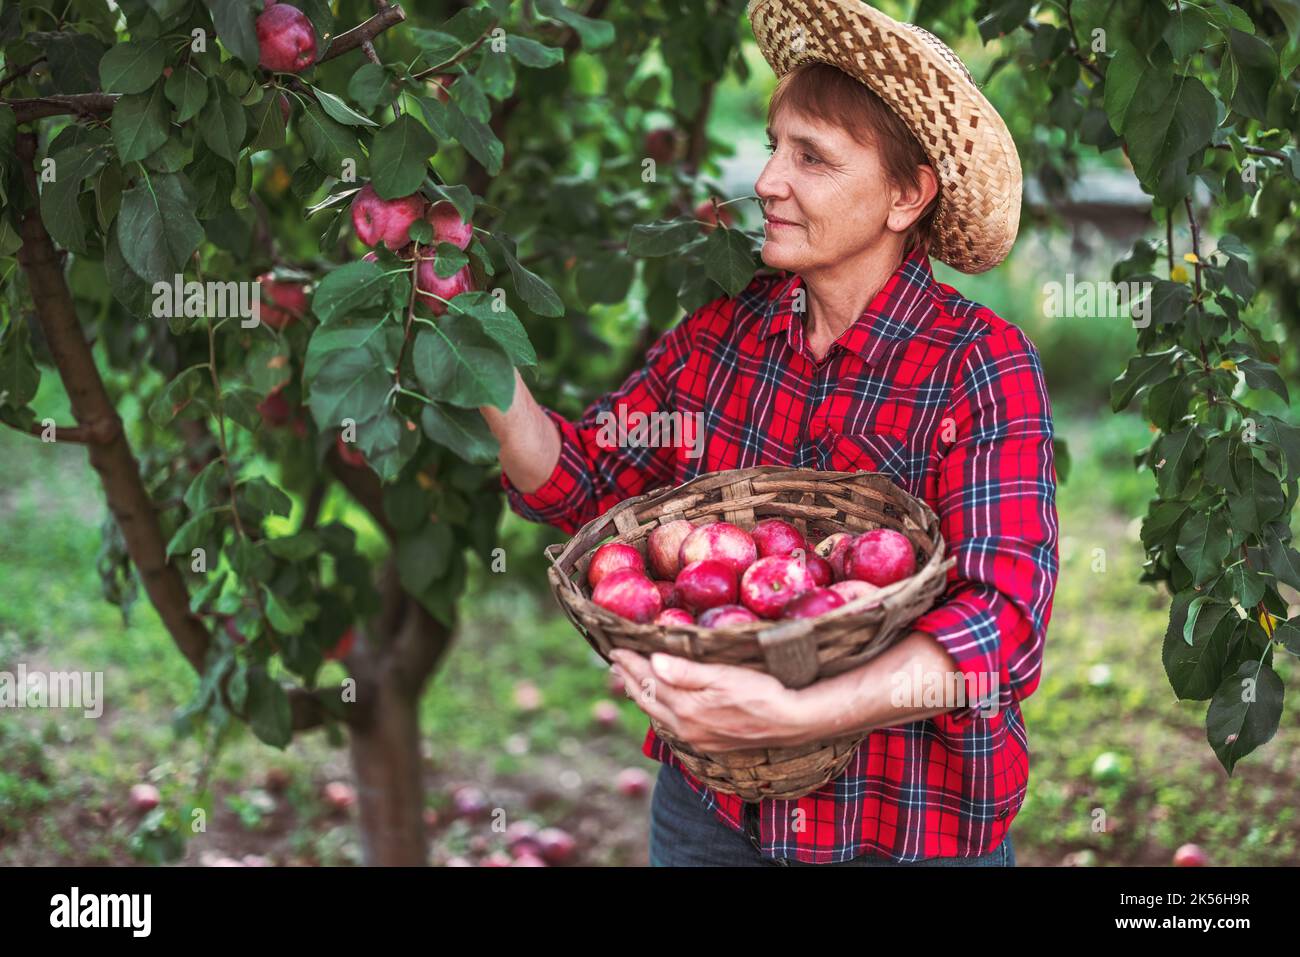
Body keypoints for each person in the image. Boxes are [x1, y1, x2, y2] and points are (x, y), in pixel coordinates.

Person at [478, 0, 1059, 866]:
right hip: (716, 814)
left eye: (812, 158)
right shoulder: (726, 333)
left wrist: (799, 715)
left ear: (907, 195)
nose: (766, 181)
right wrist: (470, 347)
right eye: (774, 147)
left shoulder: (978, 366)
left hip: (902, 830)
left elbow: (1000, 626)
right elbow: (586, 479)